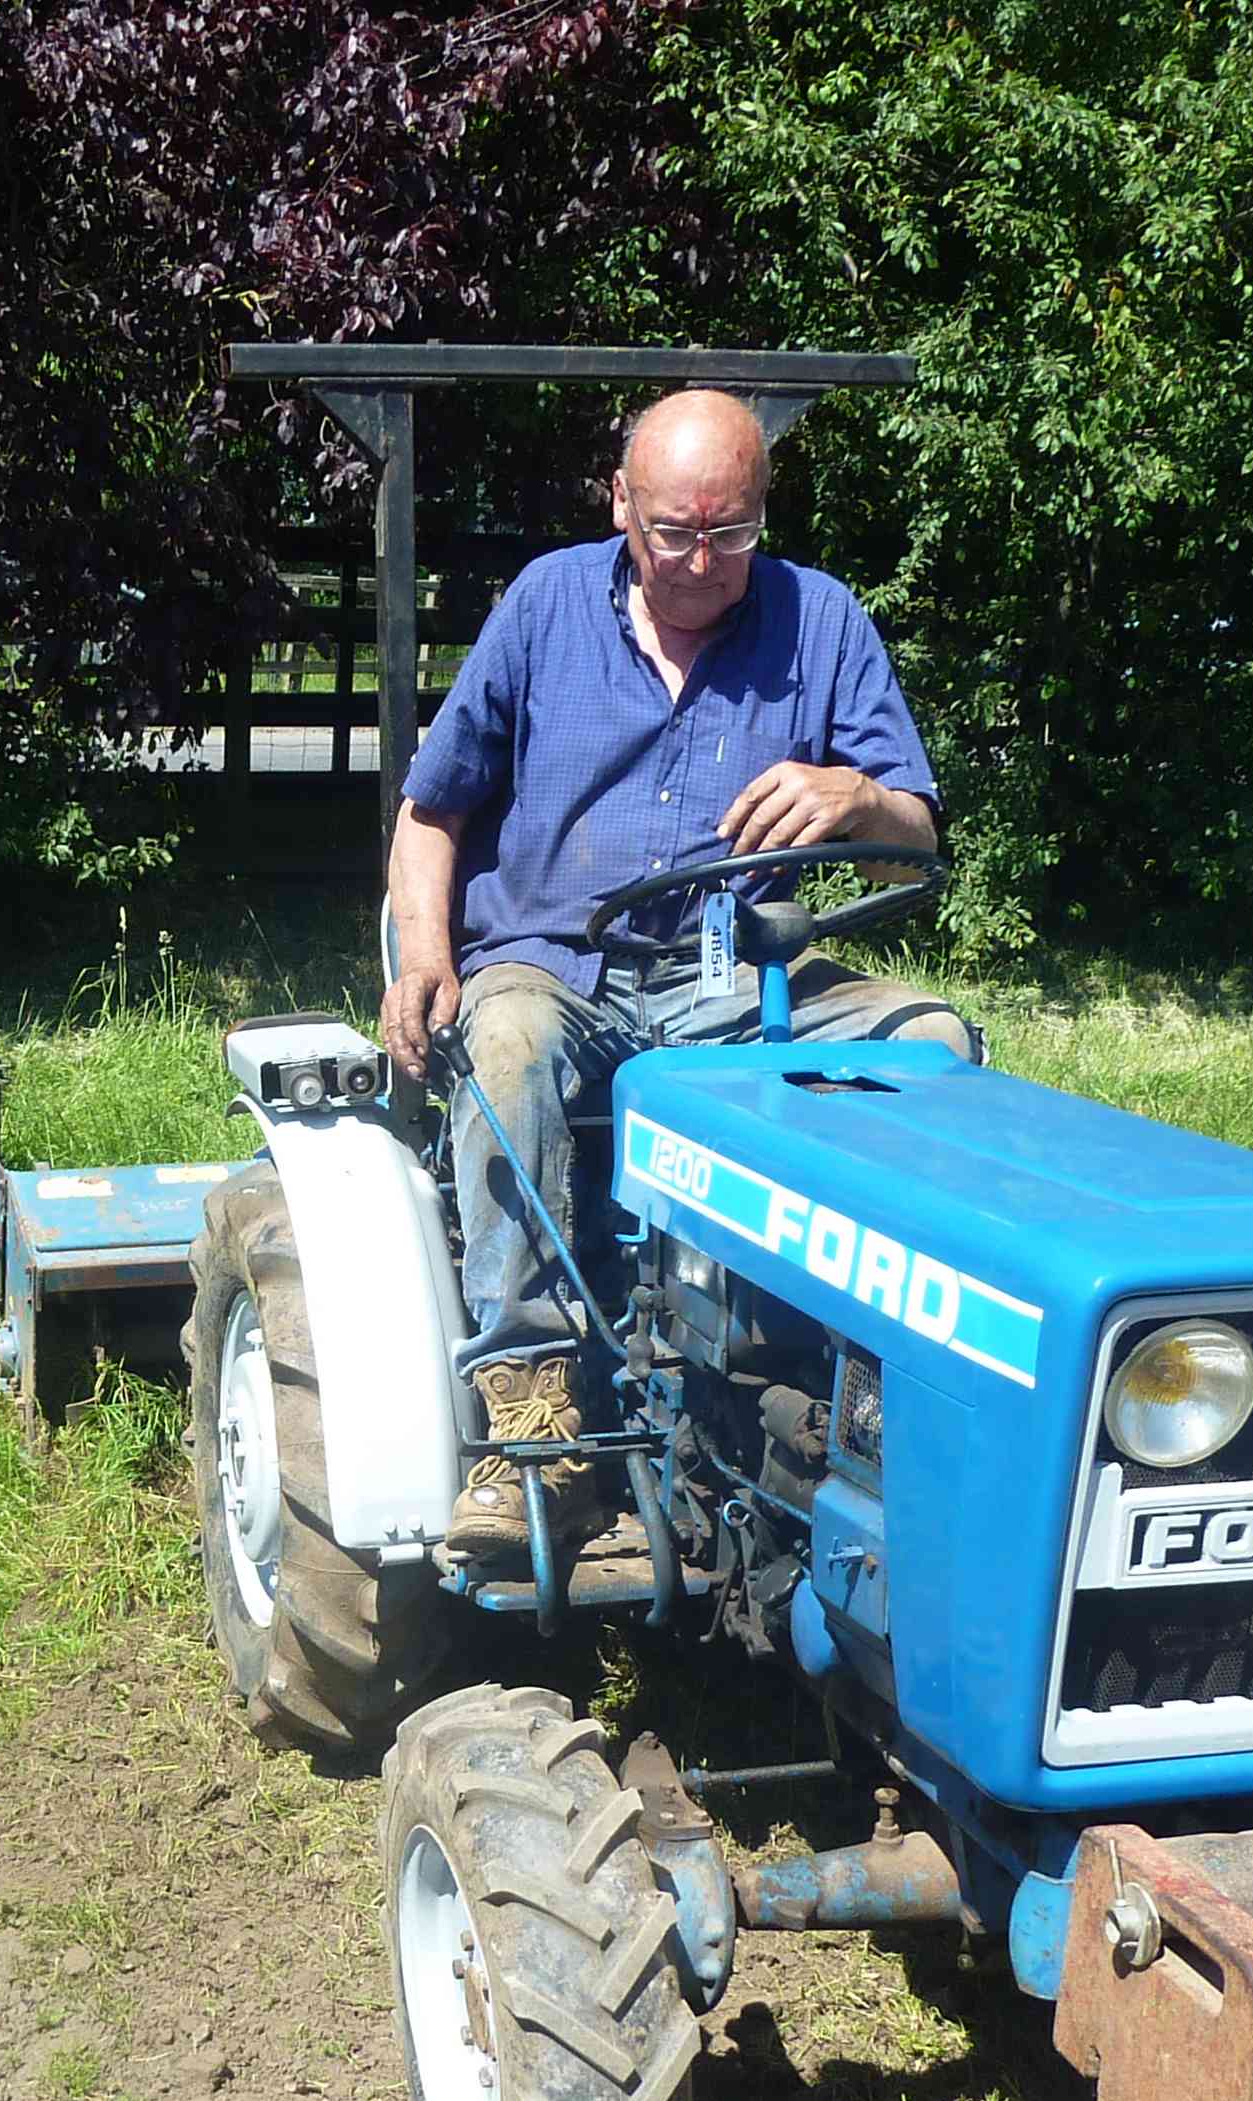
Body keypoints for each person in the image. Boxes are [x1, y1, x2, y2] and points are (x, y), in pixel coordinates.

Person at [378, 386, 977, 1559]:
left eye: (733, 532)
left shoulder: (824, 621)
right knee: (507, 1051)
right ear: (622, 506)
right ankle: (531, 1431)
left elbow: (916, 826)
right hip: (557, 966)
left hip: (739, 978)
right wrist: (428, 955)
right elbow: (430, 812)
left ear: (764, 511)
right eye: (674, 532)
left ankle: (866, 1393)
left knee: (934, 1052)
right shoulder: (548, 603)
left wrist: (860, 798)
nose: (703, 561)